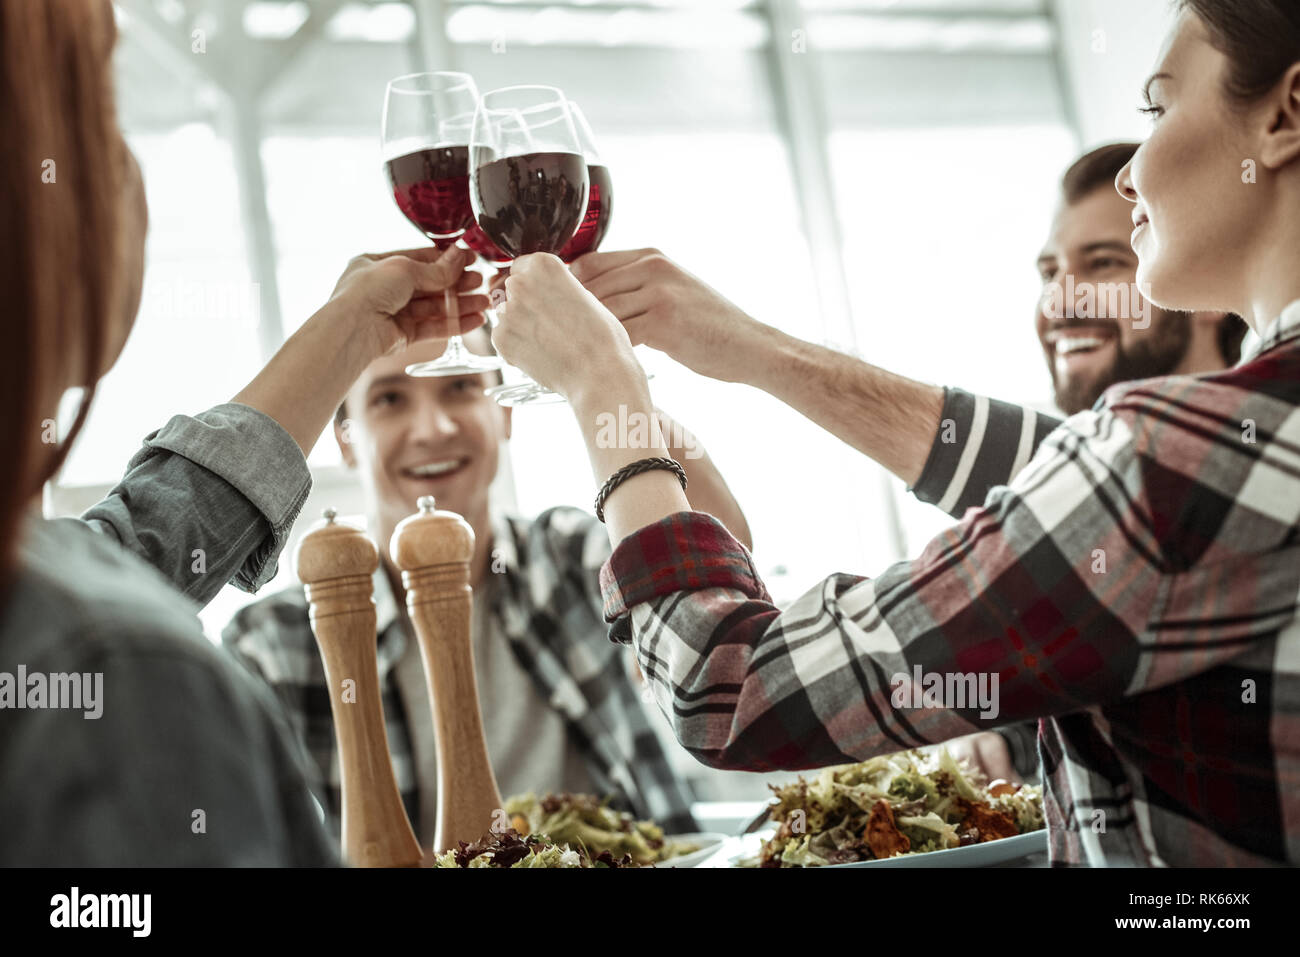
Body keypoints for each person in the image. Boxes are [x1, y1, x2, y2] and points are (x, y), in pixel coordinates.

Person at [490, 0, 1300, 866]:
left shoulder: (1170, 464)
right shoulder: (1233, 445)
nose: (1132, 173)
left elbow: (724, 688)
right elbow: (1066, 473)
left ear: (1286, 115)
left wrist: (605, 393)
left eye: (1160, 105)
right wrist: (753, 349)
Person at [0, 0, 488, 865]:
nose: (129, 170)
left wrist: (349, 333)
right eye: (102, 114)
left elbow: (126, 547)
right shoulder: (122, 679)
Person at [223, 324, 750, 842]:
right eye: (389, 399)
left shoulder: (570, 556)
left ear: (503, 413)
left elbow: (718, 560)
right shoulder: (278, 643)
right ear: (348, 441)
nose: (432, 428)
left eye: (459, 386)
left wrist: (605, 369)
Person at [926, 141, 1247, 783]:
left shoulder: (1250, 461)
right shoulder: (1071, 495)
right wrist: (1000, 743)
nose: (1060, 303)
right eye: (1049, 274)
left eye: (1102, 264)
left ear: (1207, 284)